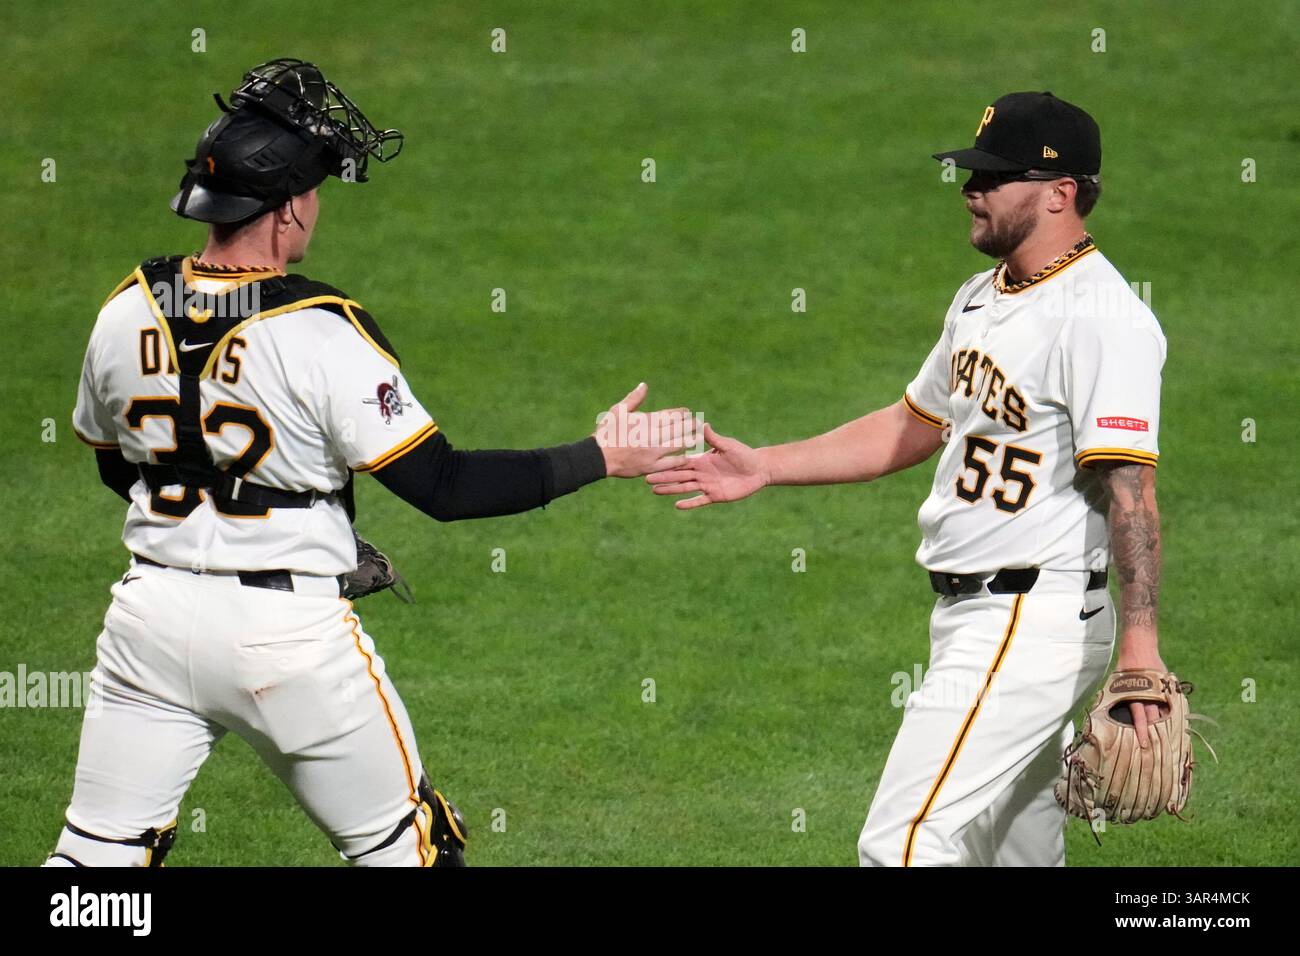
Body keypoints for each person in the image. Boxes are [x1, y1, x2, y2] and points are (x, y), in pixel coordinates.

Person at [52, 58, 694, 867]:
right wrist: (602, 455)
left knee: (96, 861)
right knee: (410, 849)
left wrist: (217, 525)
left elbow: (123, 470)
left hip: (146, 621)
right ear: (286, 213)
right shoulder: (323, 329)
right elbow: (446, 488)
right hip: (286, 641)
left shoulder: (125, 307)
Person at [647, 91, 1168, 866]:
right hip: (982, 618)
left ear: (1062, 193)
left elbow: (1132, 491)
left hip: (1031, 621)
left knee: (902, 843)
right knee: (1014, 856)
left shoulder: (1103, 318)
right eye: (971, 172)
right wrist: (766, 465)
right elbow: (912, 424)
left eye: (993, 176)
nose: (971, 188)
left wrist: (1142, 650)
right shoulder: (981, 298)